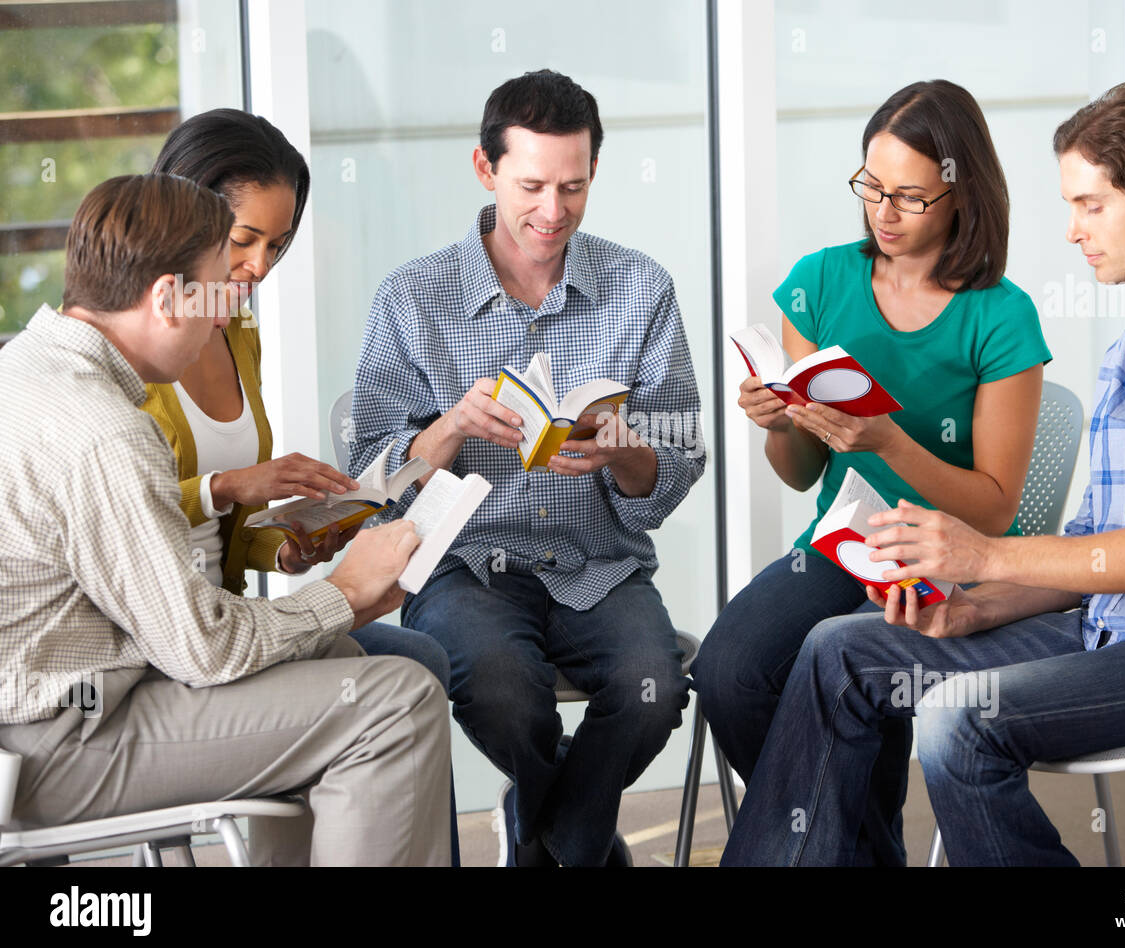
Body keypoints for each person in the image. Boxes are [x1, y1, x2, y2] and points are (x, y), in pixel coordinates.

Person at [720, 81, 1125, 867]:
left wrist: (985, 560)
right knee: (838, 650)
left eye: (1092, 206)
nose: (1072, 231)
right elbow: (1096, 549)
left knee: (961, 719)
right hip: (1110, 627)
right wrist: (975, 610)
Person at [0, 173, 452, 866]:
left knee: (332, 659)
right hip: (57, 746)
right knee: (396, 701)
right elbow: (202, 649)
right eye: (216, 292)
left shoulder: (25, 367)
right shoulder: (104, 432)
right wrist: (346, 590)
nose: (223, 317)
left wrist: (325, 611)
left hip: (57, 708)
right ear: (165, 298)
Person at [350, 69, 705, 866]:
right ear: (486, 170)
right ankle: (581, 843)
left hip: (600, 566)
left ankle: (545, 833)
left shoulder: (641, 288)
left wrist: (626, 450)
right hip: (466, 568)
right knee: (501, 687)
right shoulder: (412, 297)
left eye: (574, 187)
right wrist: (448, 429)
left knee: (654, 690)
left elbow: (680, 462)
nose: (553, 212)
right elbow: (371, 490)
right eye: (532, 186)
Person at [693, 79, 1051, 794]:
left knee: (854, 676)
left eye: (910, 196)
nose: (883, 213)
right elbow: (798, 474)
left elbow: (995, 512)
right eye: (871, 186)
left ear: (961, 192)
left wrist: (889, 444)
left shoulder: (1002, 317)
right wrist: (780, 421)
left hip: (946, 556)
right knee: (729, 671)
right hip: (840, 544)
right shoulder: (819, 282)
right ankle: (843, 843)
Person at [146, 110, 460, 863]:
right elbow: (132, 511)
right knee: (381, 678)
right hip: (169, 634)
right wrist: (229, 484)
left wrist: (289, 540)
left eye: (276, 245)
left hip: (223, 608)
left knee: (413, 658)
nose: (258, 266)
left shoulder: (233, 332)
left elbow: (220, 535)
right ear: (183, 212)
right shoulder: (139, 344)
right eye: (244, 239)